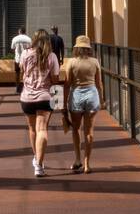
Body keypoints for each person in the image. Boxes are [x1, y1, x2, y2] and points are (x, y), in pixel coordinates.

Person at [18, 29, 60, 177]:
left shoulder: (25, 54)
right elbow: (55, 80)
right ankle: (39, 166)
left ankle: (37, 159)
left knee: (32, 129)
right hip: (45, 97)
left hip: (27, 98)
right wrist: (59, 99)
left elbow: (22, 72)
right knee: (42, 129)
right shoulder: (52, 56)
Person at [62, 35, 103, 174]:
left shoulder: (72, 62)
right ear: (88, 48)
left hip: (77, 95)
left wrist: (64, 103)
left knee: (75, 128)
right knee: (89, 131)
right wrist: (101, 100)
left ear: (77, 48)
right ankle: (87, 164)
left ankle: (78, 159)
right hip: (92, 95)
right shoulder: (95, 62)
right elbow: (99, 84)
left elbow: (67, 84)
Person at [10, 27, 32, 94]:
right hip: (26, 59)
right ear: (25, 31)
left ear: (19, 31)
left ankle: (17, 88)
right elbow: (31, 48)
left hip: (18, 59)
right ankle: (26, 88)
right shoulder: (28, 39)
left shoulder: (15, 38)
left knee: (17, 73)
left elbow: (12, 48)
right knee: (27, 73)